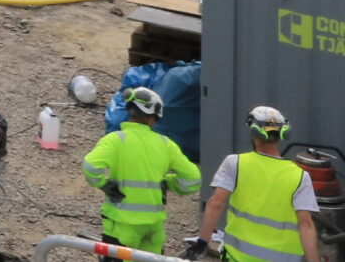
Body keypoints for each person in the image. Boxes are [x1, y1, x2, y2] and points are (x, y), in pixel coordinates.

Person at [84, 86, 201, 254]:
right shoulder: (166, 144)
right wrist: (168, 183)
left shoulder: (116, 140)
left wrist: (104, 185)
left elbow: (90, 166)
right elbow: (193, 179)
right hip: (153, 227)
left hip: (122, 226)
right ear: (153, 119)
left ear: (129, 112)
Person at [197, 106, 320, 262]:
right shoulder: (300, 176)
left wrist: (202, 242)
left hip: (238, 257)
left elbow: (215, 204)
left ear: (254, 132)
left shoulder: (235, 164)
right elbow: (306, 225)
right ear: (282, 134)